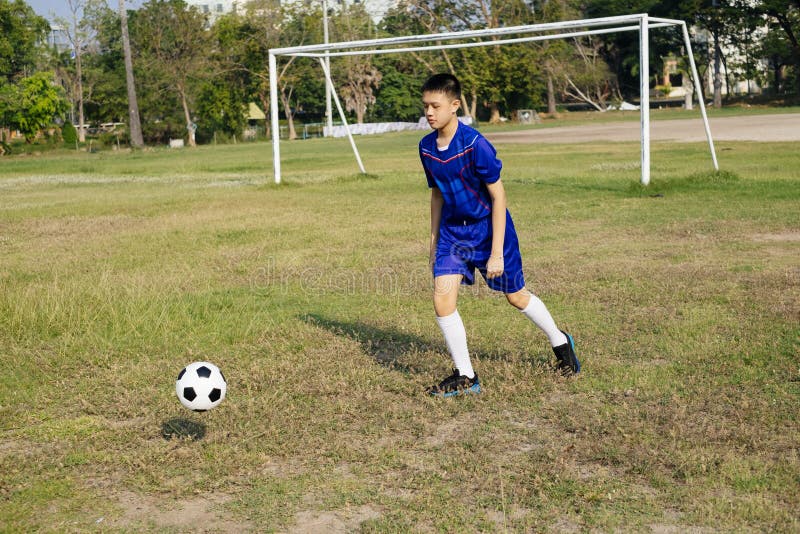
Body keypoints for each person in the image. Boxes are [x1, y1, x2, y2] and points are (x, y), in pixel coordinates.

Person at [419, 73, 580, 397]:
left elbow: (498, 196)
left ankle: (560, 341)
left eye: (436, 106)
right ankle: (466, 376)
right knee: (442, 298)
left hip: (488, 228)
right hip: (453, 232)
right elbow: (436, 194)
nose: (429, 112)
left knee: (515, 296)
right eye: (426, 106)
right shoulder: (426, 147)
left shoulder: (475, 145)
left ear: (455, 105)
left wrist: (495, 253)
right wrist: (434, 240)